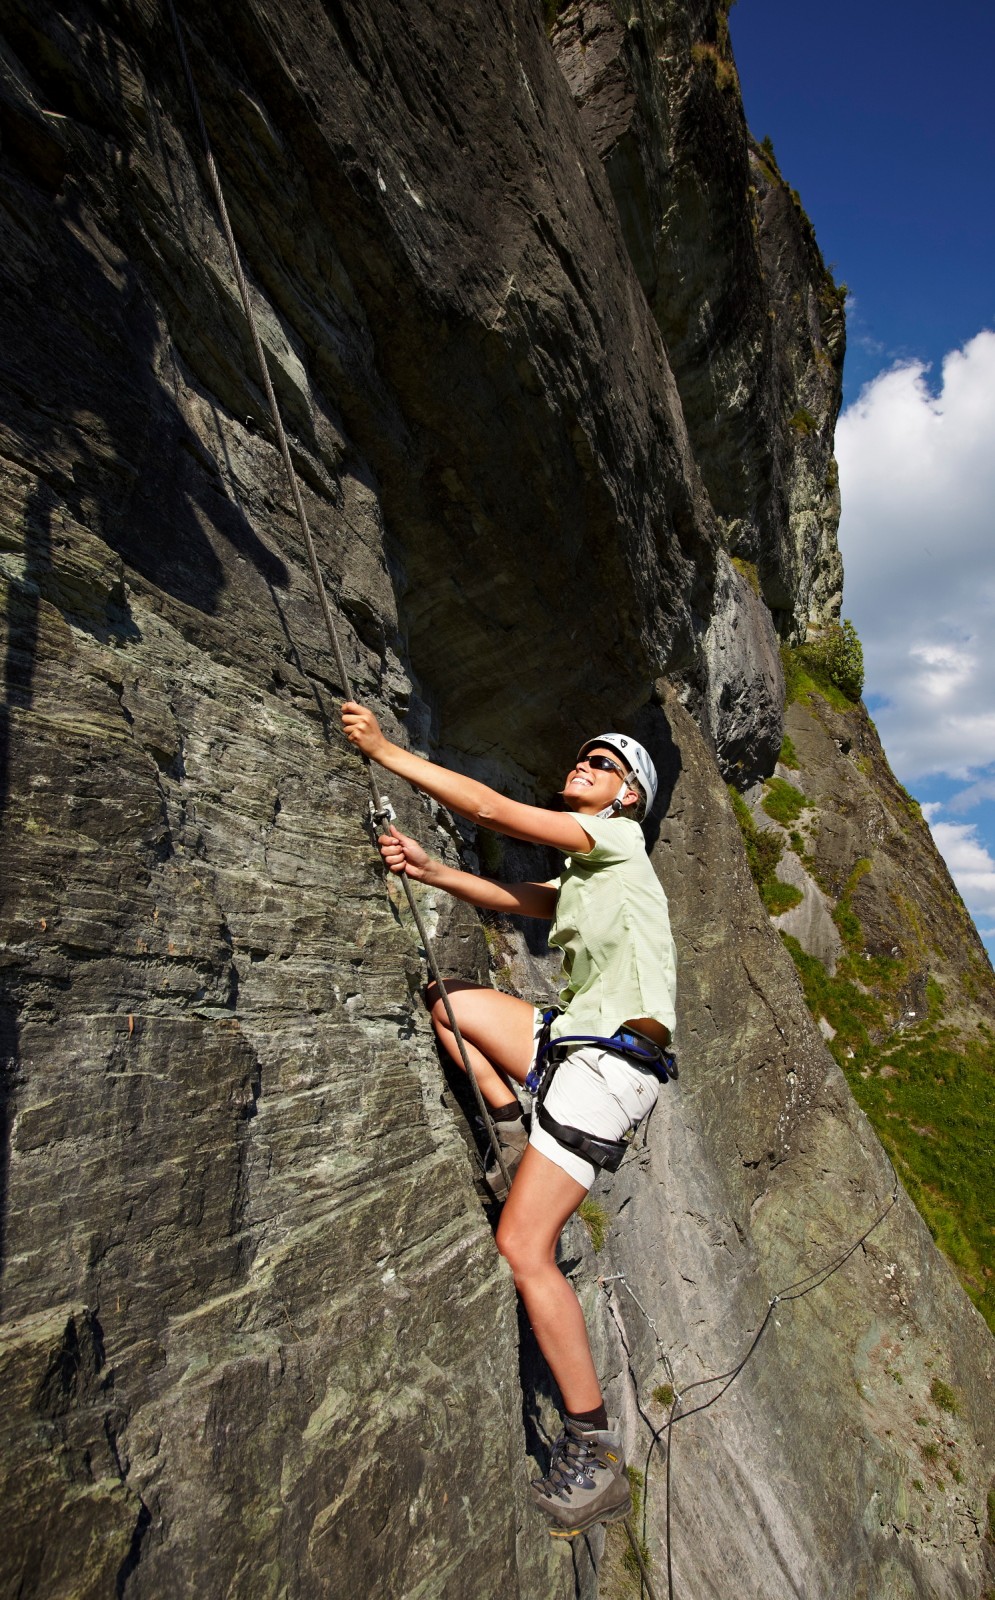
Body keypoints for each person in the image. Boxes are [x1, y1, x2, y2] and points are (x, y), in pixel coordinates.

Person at [341, 701, 678, 1538]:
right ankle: (507, 1128)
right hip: (572, 1042)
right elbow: (519, 899)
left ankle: (594, 1449)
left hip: (610, 1068)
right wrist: (428, 870)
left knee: (523, 1249)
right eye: (583, 755)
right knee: (452, 1005)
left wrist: (387, 751)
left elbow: (491, 812)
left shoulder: (619, 841)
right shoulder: (590, 870)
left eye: (602, 765)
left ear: (626, 798)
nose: (584, 765)